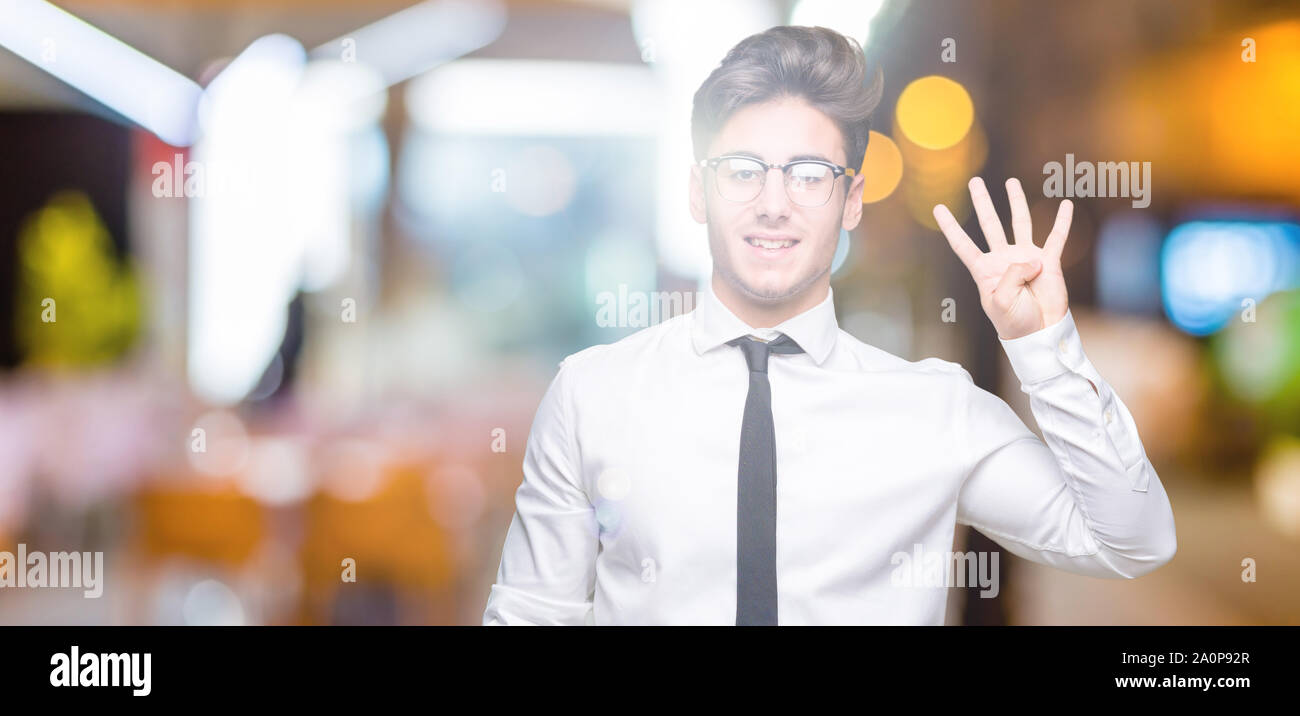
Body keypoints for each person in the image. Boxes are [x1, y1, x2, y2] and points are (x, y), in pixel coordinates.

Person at [482, 25, 1176, 625]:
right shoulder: (592, 395)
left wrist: (1042, 347)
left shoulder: (936, 409)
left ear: (851, 199)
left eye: (810, 174)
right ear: (698, 190)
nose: (774, 204)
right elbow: (531, 612)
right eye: (742, 170)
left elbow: (1133, 539)